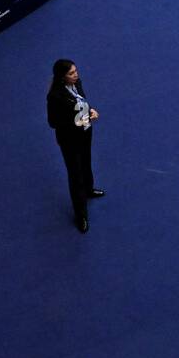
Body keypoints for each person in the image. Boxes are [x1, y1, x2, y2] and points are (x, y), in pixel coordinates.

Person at [47, 59, 104, 233]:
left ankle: (88, 190)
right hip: (70, 140)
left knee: (86, 163)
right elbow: (53, 122)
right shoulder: (55, 96)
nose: (76, 75)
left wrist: (91, 109)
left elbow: (81, 101)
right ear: (62, 77)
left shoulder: (77, 83)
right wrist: (79, 122)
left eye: (76, 71)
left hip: (85, 133)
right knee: (75, 174)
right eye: (71, 73)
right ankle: (81, 215)